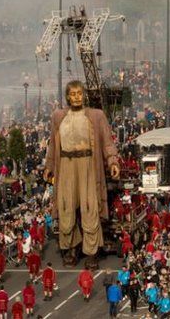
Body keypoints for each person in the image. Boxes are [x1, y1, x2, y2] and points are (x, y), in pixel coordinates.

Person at [43, 80, 121, 268]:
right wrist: (49, 166)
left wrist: (112, 161)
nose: (77, 97)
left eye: (80, 93)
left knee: (90, 209)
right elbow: (53, 145)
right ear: (68, 96)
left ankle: (91, 252)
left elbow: (107, 142)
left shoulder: (97, 116)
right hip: (66, 165)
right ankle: (70, 247)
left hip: (88, 165)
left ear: (83, 95)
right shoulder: (58, 116)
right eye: (73, 94)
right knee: (66, 208)